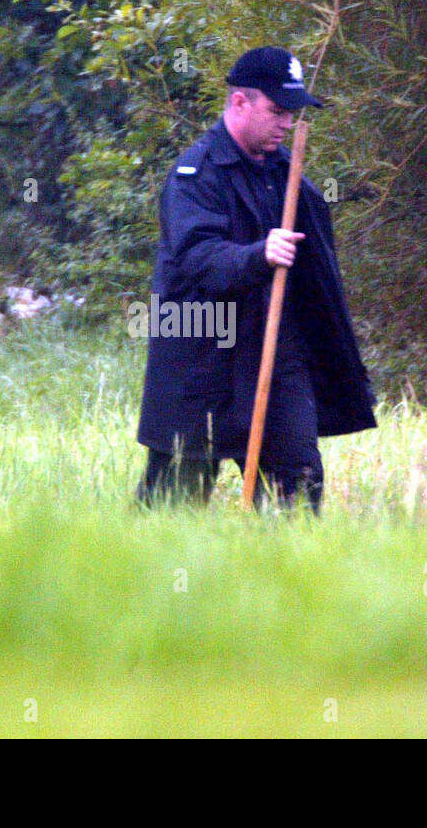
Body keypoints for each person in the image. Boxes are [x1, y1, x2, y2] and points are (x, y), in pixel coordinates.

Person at [136, 46, 376, 512]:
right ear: (240, 103)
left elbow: (319, 275)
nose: (287, 124)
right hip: (201, 353)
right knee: (171, 510)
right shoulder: (194, 175)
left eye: (293, 114)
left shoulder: (290, 177)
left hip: (276, 355)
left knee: (297, 495)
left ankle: (288, 583)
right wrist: (258, 255)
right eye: (277, 111)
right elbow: (197, 259)